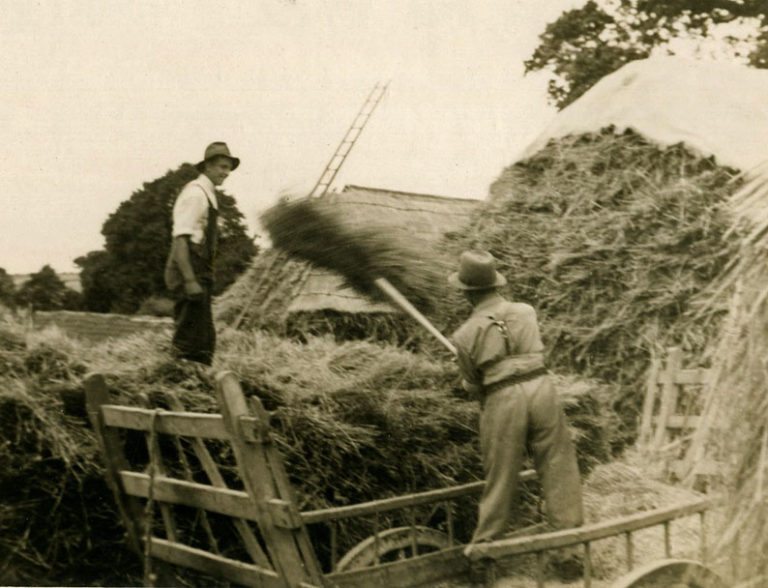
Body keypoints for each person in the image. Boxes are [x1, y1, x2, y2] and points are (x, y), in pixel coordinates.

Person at [448, 250, 583, 556]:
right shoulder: (526, 311)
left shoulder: (464, 334)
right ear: (496, 285)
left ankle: (486, 548)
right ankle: (570, 549)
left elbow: (474, 385)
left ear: (466, 294)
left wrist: (468, 373)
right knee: (558, 464)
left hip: (504, 397)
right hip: (542, 388)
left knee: (501, 473)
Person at [164, 142, 240, 366]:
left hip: (201, 270)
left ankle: (197, 382)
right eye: (221, 167)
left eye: (228, 168)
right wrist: (189, 280)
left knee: (204, 338)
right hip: (190, 269)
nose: (226, 173)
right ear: (207, 166)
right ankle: (179, 378)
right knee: (189, 337)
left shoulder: (208, 194)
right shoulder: (196, 194)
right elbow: (180, 240)